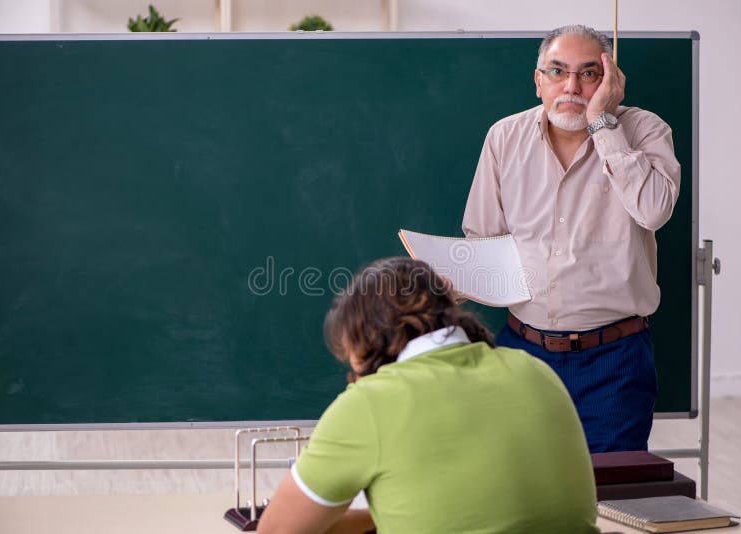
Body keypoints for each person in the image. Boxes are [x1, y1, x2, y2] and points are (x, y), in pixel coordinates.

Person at [258, 257, 599, 534]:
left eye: (353, 362)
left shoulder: (371, 403)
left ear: (368, 343)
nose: (353, 377)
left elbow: (275, 531)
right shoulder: (535, 370)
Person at [462, 24, 680, 453]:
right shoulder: (504, 137)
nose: (572, 86)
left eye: (589, 73)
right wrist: (454, 283)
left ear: (611, 81)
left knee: (611, 499)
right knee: (522, 491)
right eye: (558, 72)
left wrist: (603, 122)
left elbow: (654, 211)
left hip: (615, 359)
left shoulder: (645, 131)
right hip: (522, 351)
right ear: (538, 80)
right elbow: (482, 239)